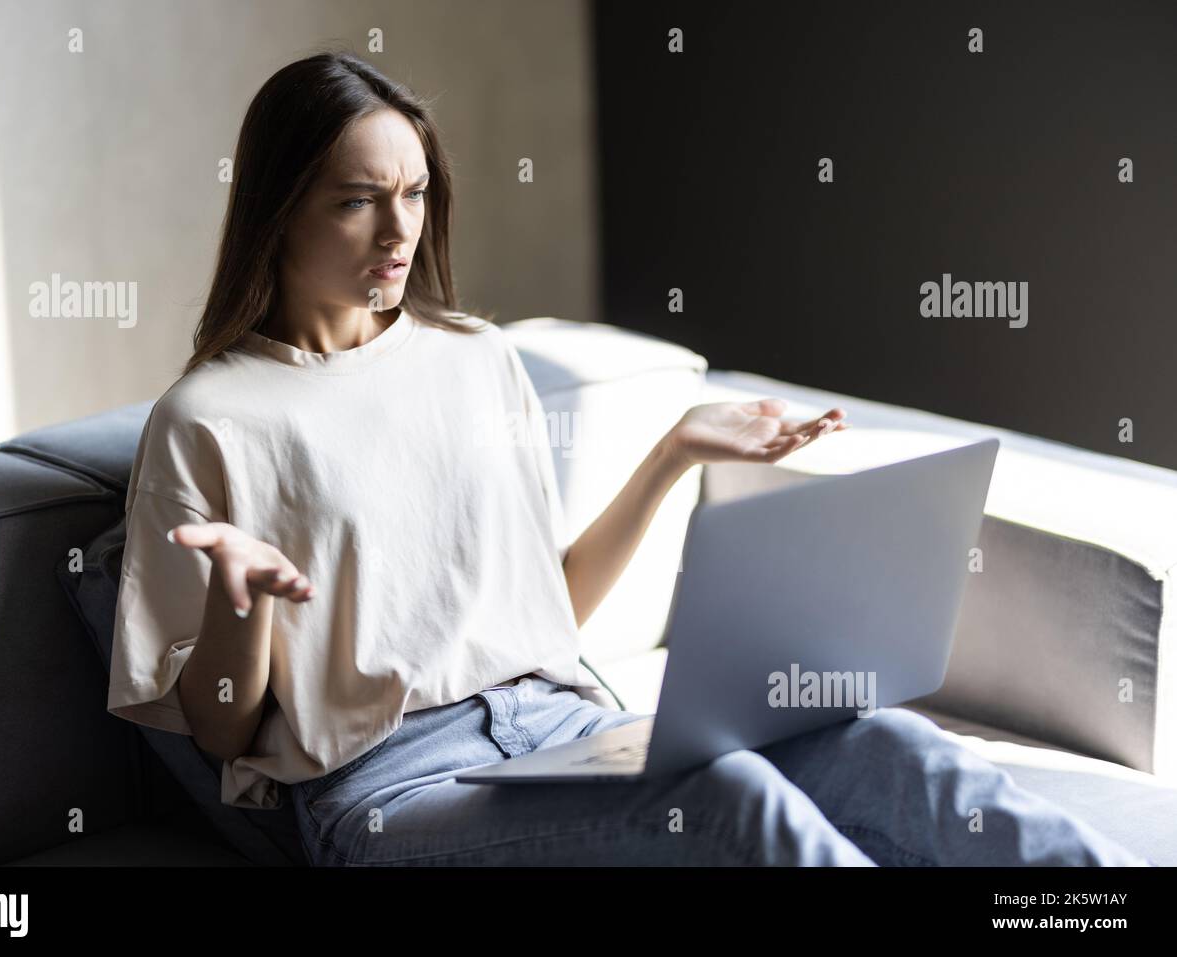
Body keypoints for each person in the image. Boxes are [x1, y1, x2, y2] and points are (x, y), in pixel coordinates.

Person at [106, 50, 1150, 867]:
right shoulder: (210, 418)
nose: (399, 233)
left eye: (415, 194)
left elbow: (543, 615)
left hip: (559, 724)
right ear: (278, 206)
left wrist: (670, 457)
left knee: (890, 748)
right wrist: (242, 604)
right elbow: (215, 732)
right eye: (355, 199)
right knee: (729, 804)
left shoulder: (472, 359)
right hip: (387, 792)